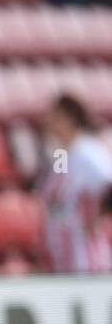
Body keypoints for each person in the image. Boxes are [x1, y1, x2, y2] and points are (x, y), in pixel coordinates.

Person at [38, 93, 112, 274]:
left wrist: (98, 216)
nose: (50, 123)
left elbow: (109, 182)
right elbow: (56, 194)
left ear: (69, 118)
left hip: (86, 255)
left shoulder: (89, 152)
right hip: (63, 252)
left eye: (55, 117)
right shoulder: (61, 154)